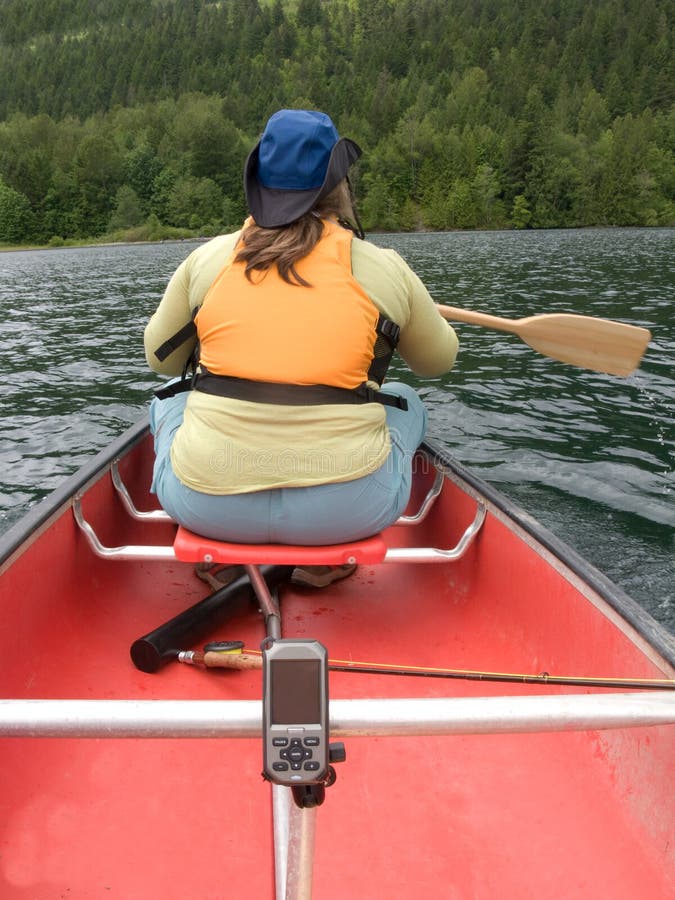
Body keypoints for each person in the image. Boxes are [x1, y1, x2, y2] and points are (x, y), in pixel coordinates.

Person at [144, 109, 458, 586]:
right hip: (347, 509)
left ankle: (226, 559)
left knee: (171, 392)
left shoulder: (207, 260)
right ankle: (323, 560)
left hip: (206, 504)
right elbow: (437, 362)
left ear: (260, 184)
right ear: (341, 185)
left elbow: (160, 359)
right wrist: (408, 305)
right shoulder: (384, 268)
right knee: (406, 399)